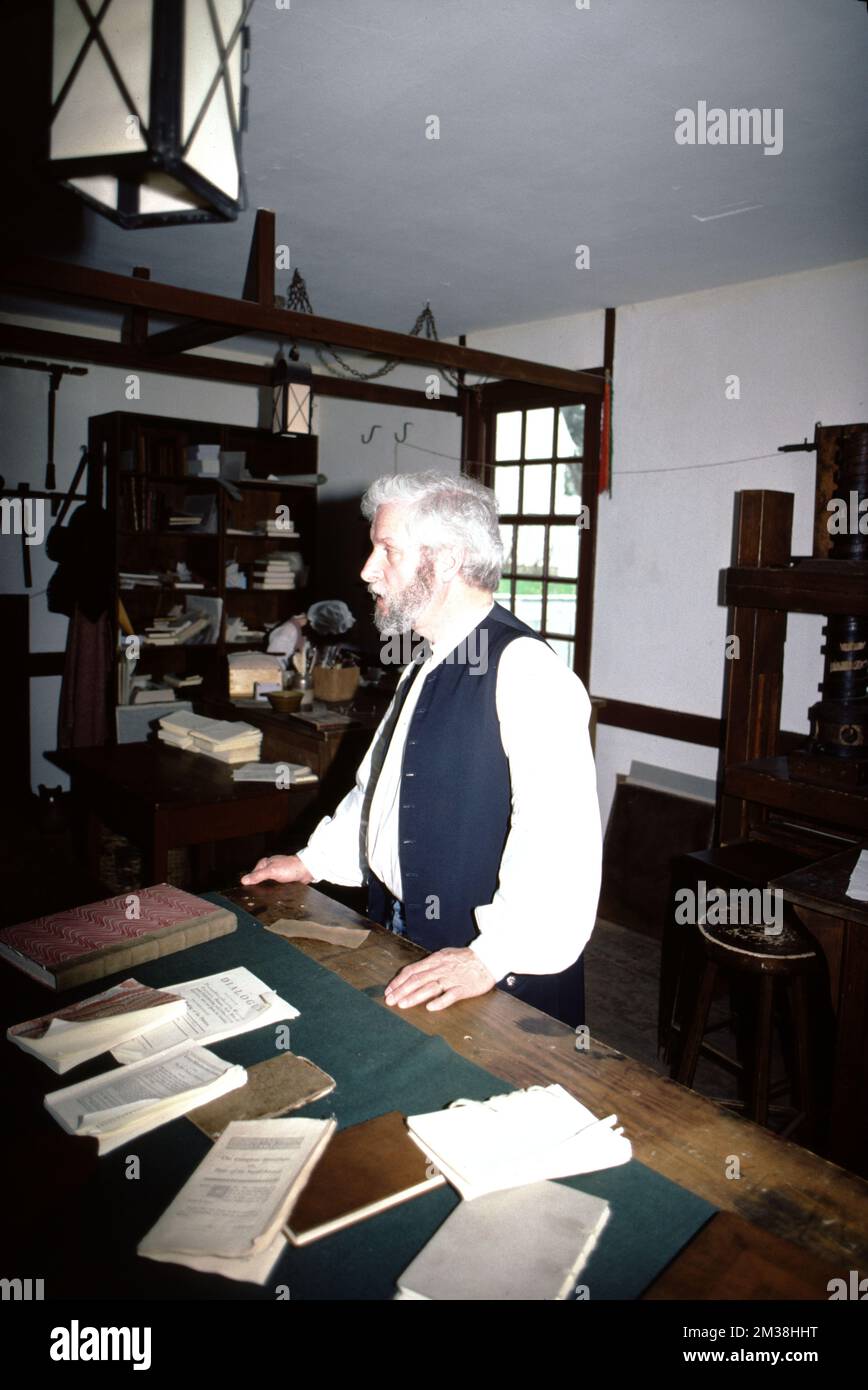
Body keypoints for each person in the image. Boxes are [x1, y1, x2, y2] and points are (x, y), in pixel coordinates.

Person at [242, 470, 601, 1027]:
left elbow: (561, 846)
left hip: (492, 976)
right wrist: (314, 862)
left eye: (388, 549)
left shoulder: (527, 670)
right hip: (402, 936)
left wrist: (491, 957)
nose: (367, 570)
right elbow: (380, 793)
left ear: (449, 560)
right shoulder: (424, 661)